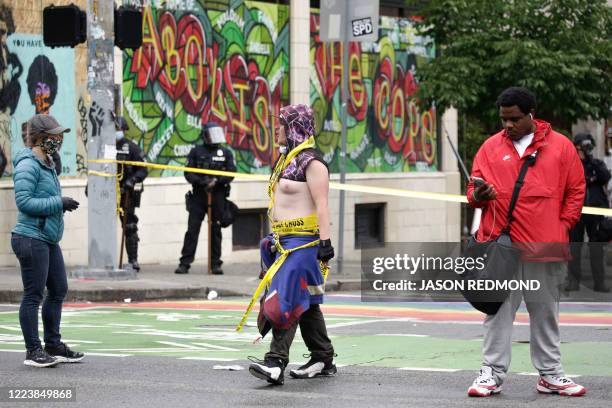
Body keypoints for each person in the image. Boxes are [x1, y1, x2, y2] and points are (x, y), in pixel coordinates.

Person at [466, 87, 586, 397]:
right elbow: (472, 193)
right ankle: (490, 373)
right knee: (497, 313)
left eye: (514, 119)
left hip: (545, 248)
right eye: (503, 119)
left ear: (530, 115)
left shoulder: (561, 147)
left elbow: (576, 190)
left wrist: (563, 225)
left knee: (545, 312)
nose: (507, 125)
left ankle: (550, 374)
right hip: (501, 249)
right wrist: (479, 195)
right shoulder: (490, 148)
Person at [246, 104, 336, 385]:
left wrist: (325, 243)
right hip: (283, 242)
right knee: (307, 302)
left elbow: (322, 205)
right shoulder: (287, 160)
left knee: (288, 297)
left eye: (282, 124)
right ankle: (323, 357)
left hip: (305, 245)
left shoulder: (312, 163)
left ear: (295, 128)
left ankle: (275, 363)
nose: (276, 129)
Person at [11, 114, 84, 367]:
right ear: (41, 138)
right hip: (30, 237)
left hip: (47, 237)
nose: (59, 140)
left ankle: (53, 344)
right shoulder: (28, 164)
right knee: (33, 295)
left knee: (59, 289)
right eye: (54, 136)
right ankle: (33, 351)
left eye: (60, 135)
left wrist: (59, 206)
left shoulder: (48, 163)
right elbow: (24, 202)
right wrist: (59, 203)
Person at [175, 123, 235, 275]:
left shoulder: (225, 152)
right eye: (211, 134)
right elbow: (188, 172)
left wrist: (217, 180)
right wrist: (202, 182)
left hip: (218, 195)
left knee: (215, 229)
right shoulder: (196, 151)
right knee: (192, 229)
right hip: (199, 196)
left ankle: (215, 264)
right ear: (204, 135)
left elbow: (231, 172)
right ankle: (185, 263)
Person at [567, 133, 611, 292]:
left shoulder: (596, 164)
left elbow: (605, 177)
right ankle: (573, 282)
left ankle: (599, 283)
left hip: (596, 213)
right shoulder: (571, 165)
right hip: (576, 213)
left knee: (596, 248)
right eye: (581, 147)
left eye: (587, 147)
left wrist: (590, 158)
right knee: (574, 248)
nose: (584, 150)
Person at [115, 116, 148, 271]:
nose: (116, 132)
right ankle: (103, 259)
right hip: (106, 194)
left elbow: (143, 169)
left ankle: (133, 260)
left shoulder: (132, 147)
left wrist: (133, 180)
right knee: (103, 227)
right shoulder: (103, 147)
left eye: (118, 129)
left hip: (126, 193)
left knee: (129, 226)